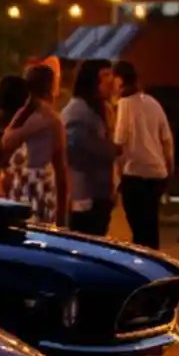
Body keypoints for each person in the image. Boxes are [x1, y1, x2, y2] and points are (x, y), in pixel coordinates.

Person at [113, 61, 174, 249]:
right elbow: (166, 140)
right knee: (151, 226)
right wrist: (168, 169)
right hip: (157, 173)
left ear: (120, 80)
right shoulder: (152, 103)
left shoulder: (124, 105)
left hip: (135, 175)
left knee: (139, 229)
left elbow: (119, 144)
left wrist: (118, 176)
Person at [2, 65, 70, 225]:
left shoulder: (23, 114)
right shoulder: (52, 119)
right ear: (51, 86)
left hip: (19, 187)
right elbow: (60, 167)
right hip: (40, 189)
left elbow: (6, 143)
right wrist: (63, 215)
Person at [63, 60, 118, 236]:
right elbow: (75, 145)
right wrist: (111, 150)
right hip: (84, 194)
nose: (111, 80)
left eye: (111, 74)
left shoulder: (101, 108)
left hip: (100, 191)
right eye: (105, 75)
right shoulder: (78, 109)